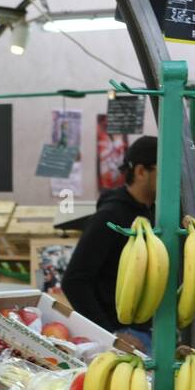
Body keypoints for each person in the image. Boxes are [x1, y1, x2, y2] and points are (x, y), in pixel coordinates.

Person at [61, 135, 158, 351]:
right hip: (127, 335)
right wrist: (110, 334)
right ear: (141, 172)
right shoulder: (110, 216)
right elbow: (74, 280)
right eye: (165, 170)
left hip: (150, 330)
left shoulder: (155, 213)